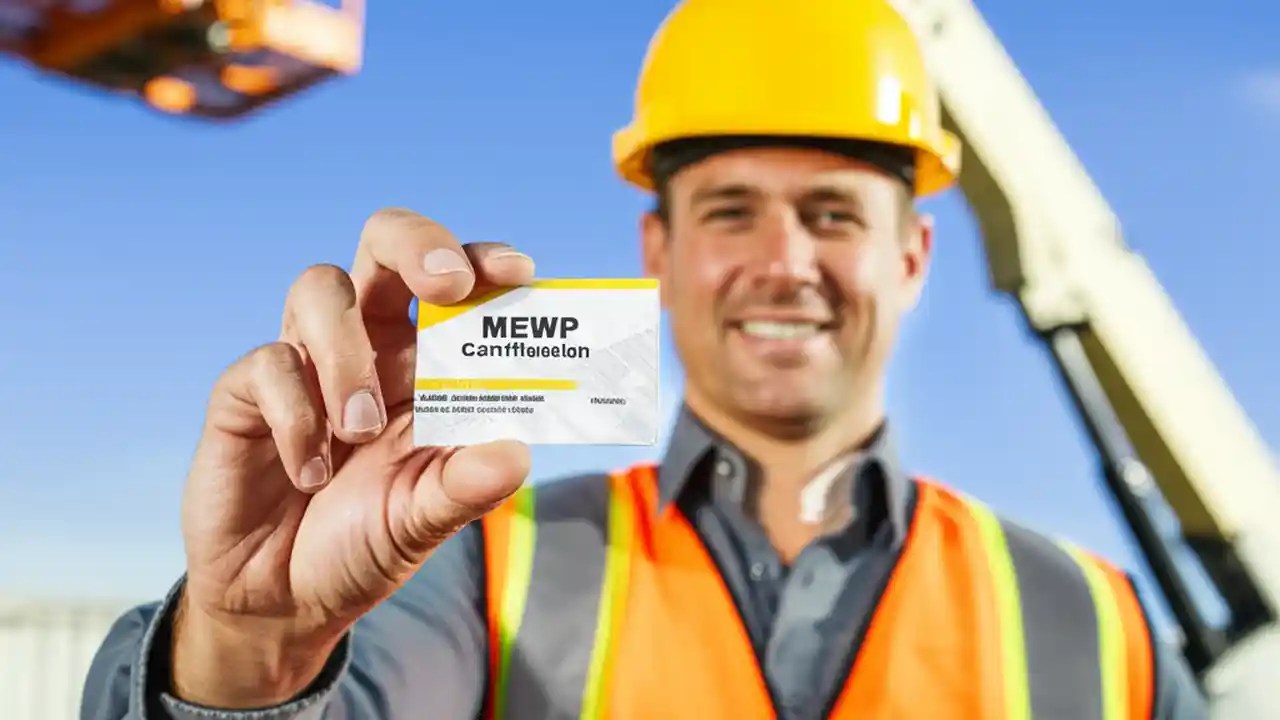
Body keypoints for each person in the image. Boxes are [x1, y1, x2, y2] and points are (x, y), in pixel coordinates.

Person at [82, 0, 1209, 718]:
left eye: (829, 214)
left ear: (910, 258)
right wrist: (249, 652)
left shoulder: (1100, 627)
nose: (781, 262)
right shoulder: (475, 569)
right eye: (729, 213)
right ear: (654, 250)